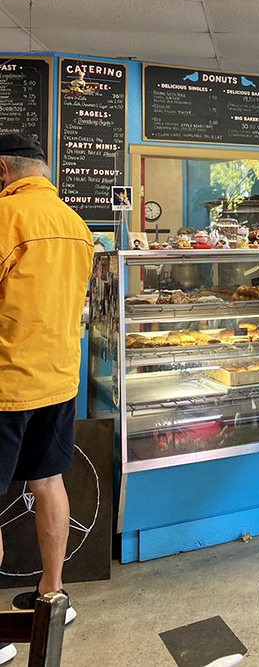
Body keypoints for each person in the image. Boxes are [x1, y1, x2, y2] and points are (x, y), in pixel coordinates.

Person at [0, 134, 94, 665]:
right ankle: (53, 596)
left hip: (7, 381)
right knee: (49, 480)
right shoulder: (77, 226)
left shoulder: (4, 219)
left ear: (2, 169)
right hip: (59, 379)